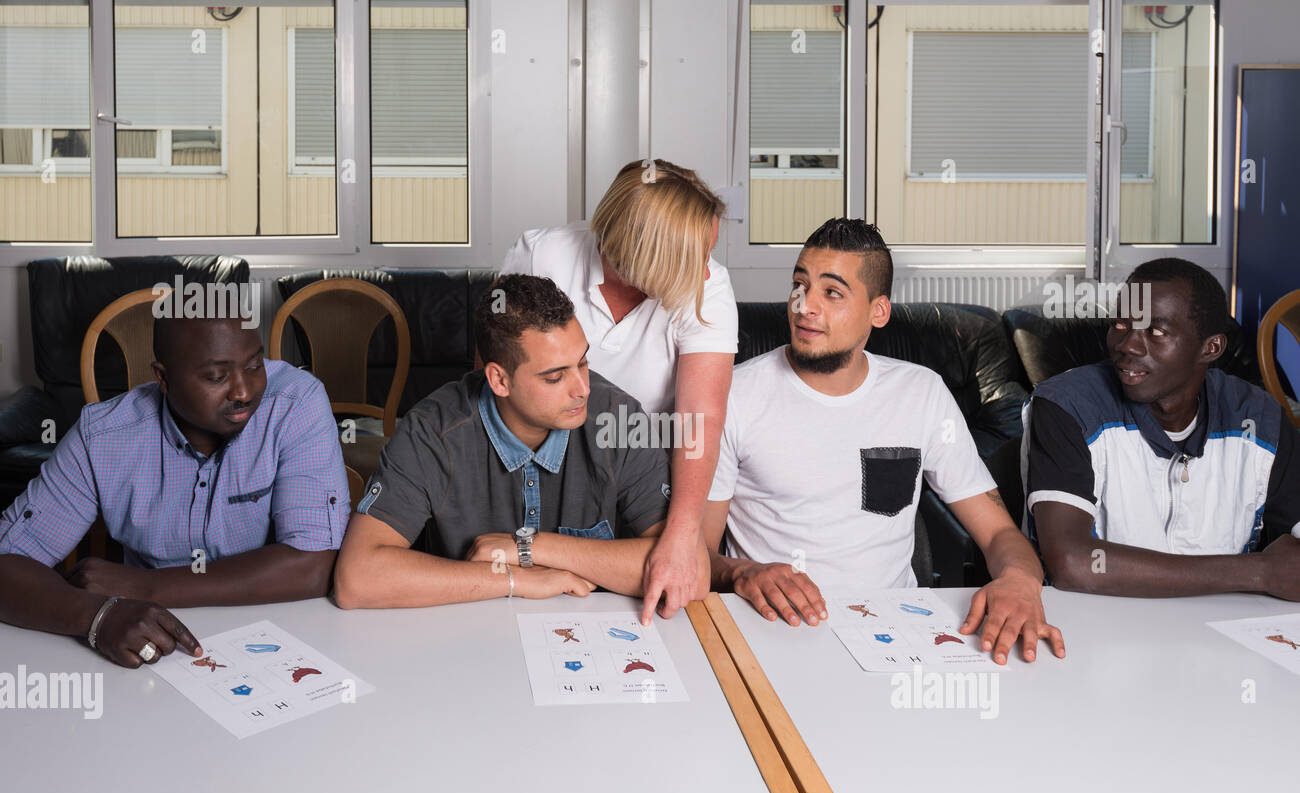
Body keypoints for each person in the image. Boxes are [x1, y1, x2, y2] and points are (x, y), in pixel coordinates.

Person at [702, 219, 1065, 666]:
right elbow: (696, 551)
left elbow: (999, 534)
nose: (804, 306)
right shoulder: (733, 396)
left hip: (893, 632)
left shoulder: (922, 393)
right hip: (773, 629)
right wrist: (743, 573)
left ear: (879, 311)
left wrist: (1020, 581)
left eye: (831, 293)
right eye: (800, 284)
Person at [333, 274, 710, 614]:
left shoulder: (620, 420)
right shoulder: (431, 431)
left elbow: (694, 571)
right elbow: (357, 579)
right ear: (499, 380)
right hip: (464, 648)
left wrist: (527, 547)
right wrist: (517, 580)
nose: (582, 388)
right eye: (554, 377)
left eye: (582, 363)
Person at [0, 308, 350, 668]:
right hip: (149, 649)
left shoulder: (295, 402)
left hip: (277, 636)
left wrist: (143, 586)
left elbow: (314, 565)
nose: (244, 391)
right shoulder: (103, 438)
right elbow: (7, 564)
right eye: (217, 376)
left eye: (255, 365)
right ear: (163, 379)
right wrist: (98, 616)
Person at [502, 158, 735, 622]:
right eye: (693, 257)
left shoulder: (709, 287)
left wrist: (681, 534)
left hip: (634, 476)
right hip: (532, 464)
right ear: (645, 253)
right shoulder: (542, 256)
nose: (704, 272)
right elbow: (497, 380)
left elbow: (700, 419)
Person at [1023, 257, 1300, 599]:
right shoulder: (1069, 405)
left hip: (1226, 631)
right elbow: (1074, 562)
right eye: (1121, 324)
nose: (1127, 345)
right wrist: (1259, 572)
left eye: (1156, 331)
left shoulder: (1261, 420)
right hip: (1097, 630)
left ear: (1210, 348)